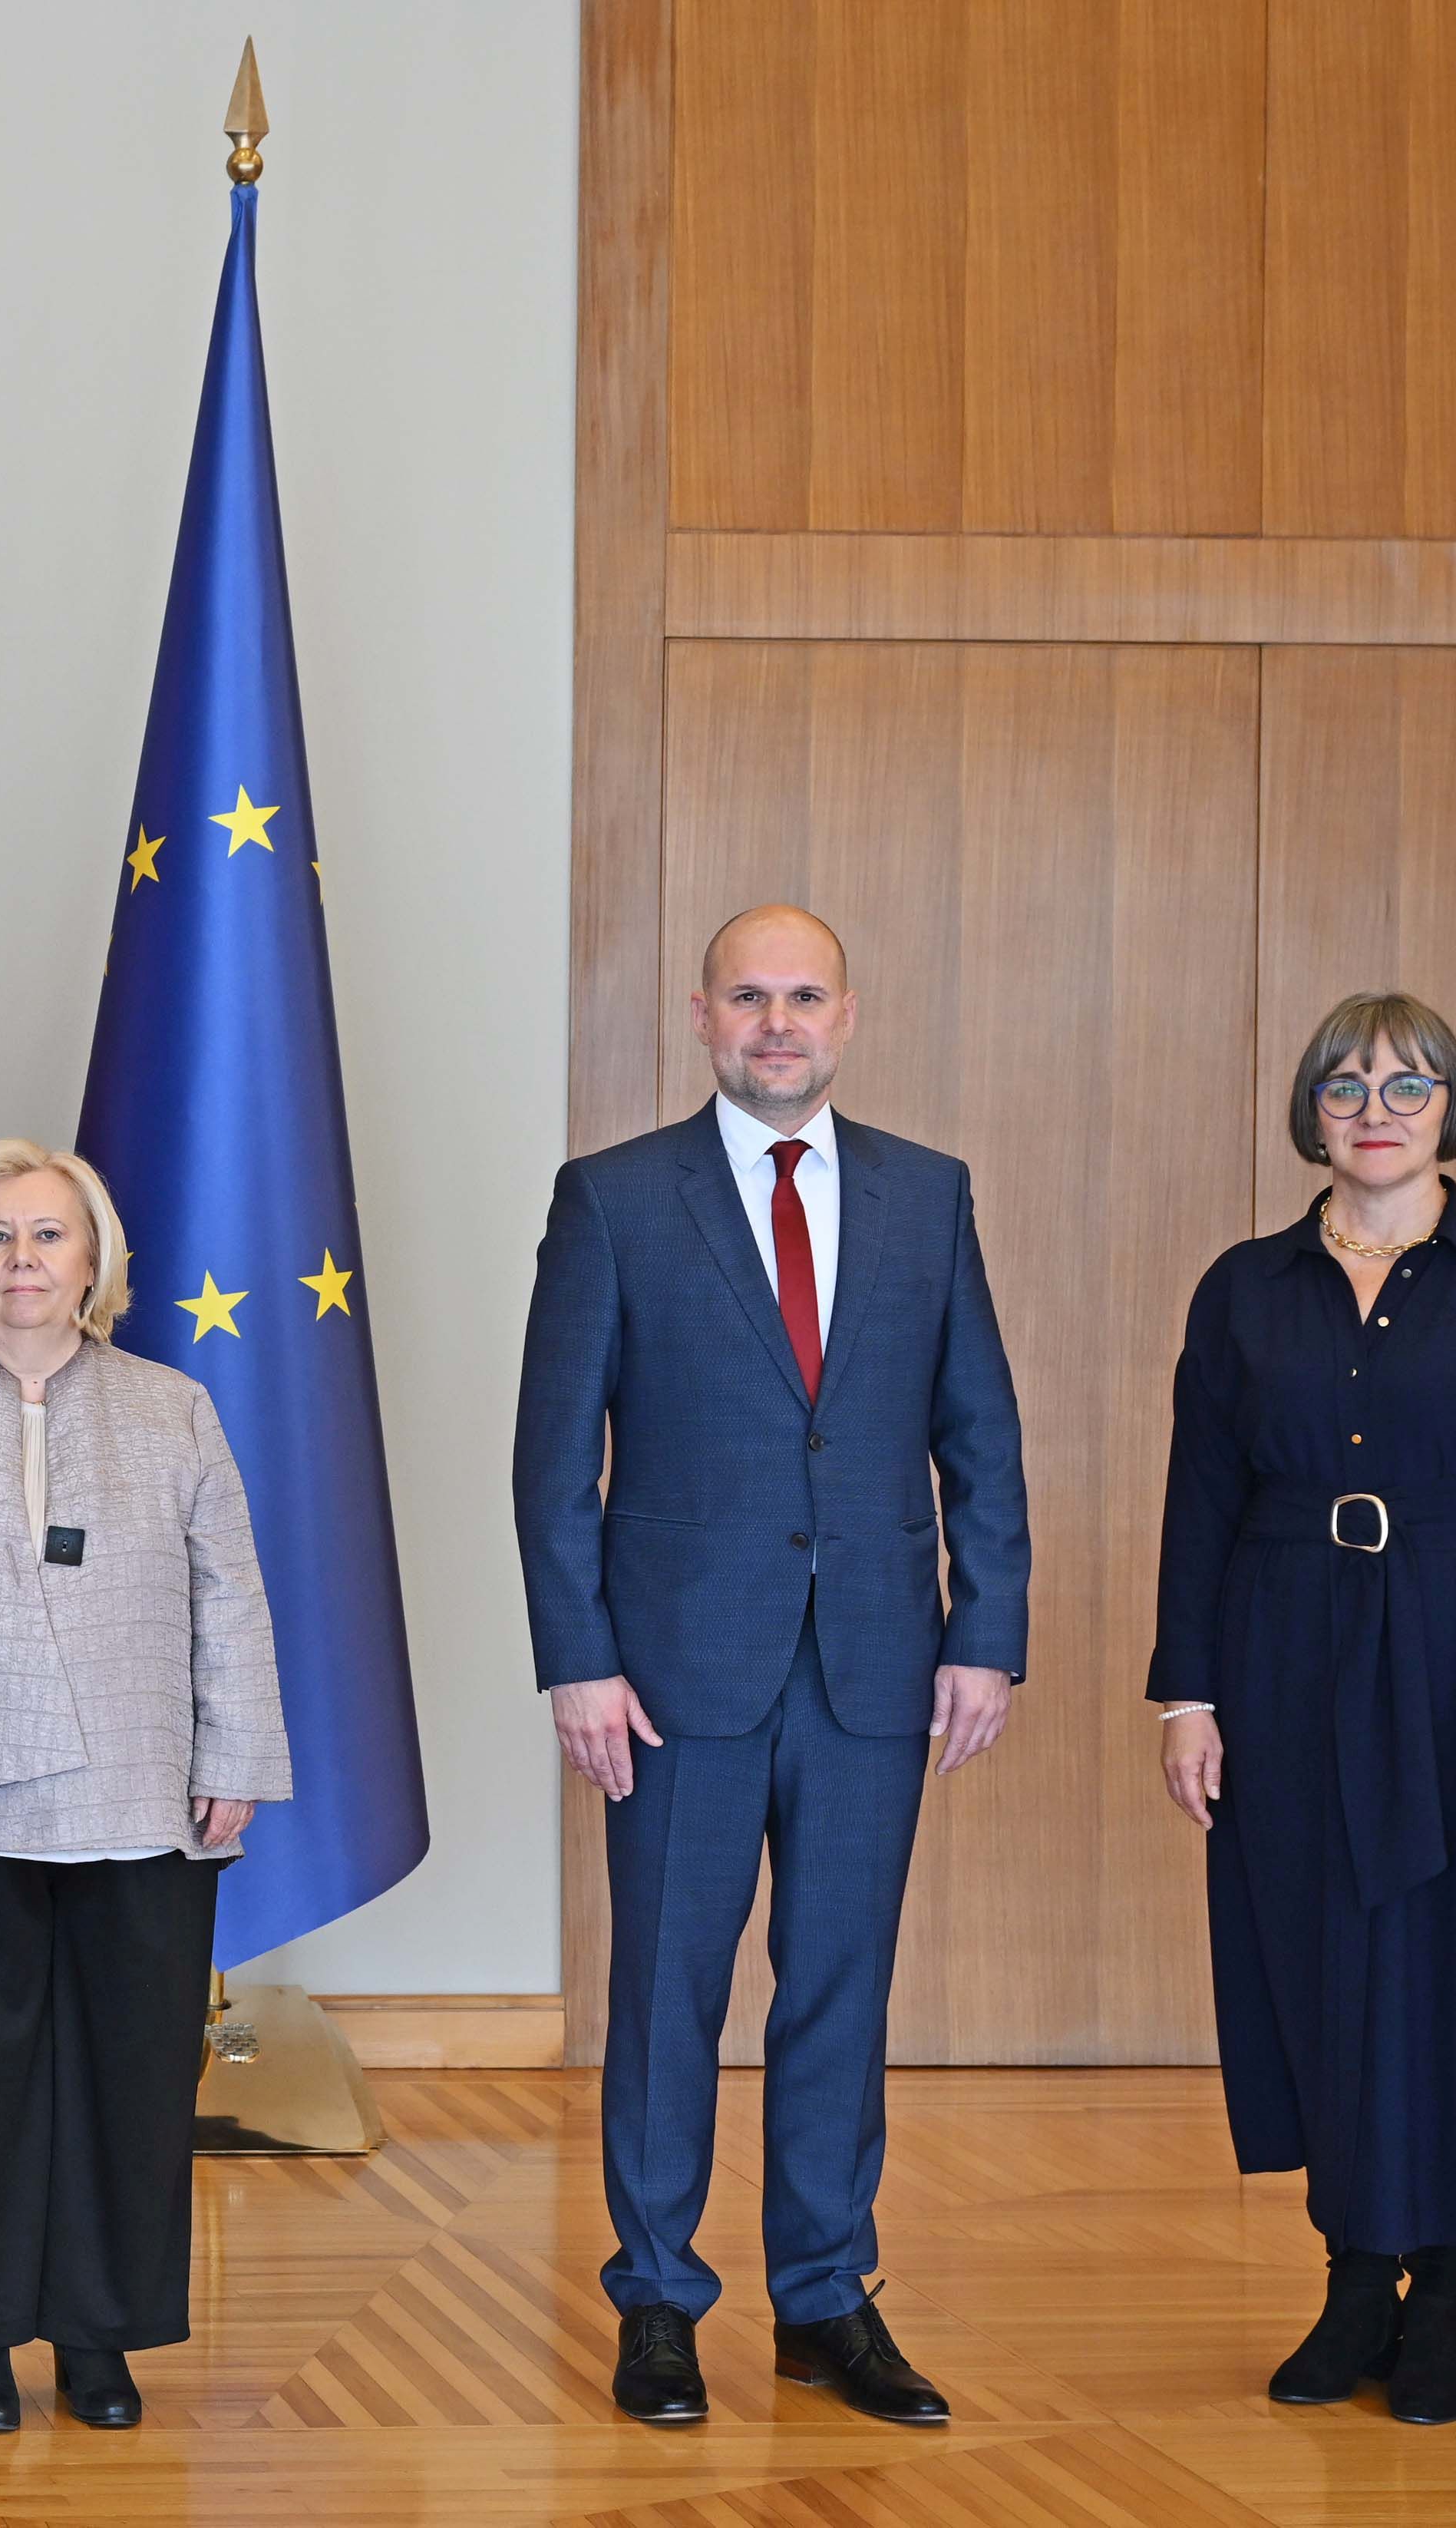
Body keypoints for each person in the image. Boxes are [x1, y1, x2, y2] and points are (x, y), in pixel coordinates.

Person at [511, 904, 1028, 2428]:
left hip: (877, 1665)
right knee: (669, 1988)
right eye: (749, 997)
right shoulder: (614, 1199)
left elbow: (980, 1436)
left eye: (805, 997)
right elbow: (553, 1464)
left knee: (841, 1989)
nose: (778, 1023)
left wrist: (986, 1632)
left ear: (847, 1017)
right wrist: (578, 1660)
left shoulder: (929, 1195)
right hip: (674, 1677)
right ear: (701, 1016)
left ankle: (824, 2299)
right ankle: (658, 2299)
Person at [1151, 995, 1456, 2428]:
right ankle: (1357, 2278)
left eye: (1408, 1085)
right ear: (1311, 1109)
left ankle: (1450, 2293)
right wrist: (1189, 1692)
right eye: (1346, 1084)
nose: (1377, 1108)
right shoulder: (1244, 1286)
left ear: (1449, 1109)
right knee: (1317, 1950)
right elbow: (1201, 1498)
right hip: (1286, 1638)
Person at [0, 1140, 289, 2434]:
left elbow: (230, 1596)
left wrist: (237, 1755)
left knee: (129, 2082)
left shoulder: (173, 1409)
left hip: (139, 1798)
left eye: (49, 1234)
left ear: (95, 1263)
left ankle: (98, 2334)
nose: (23, 1259)